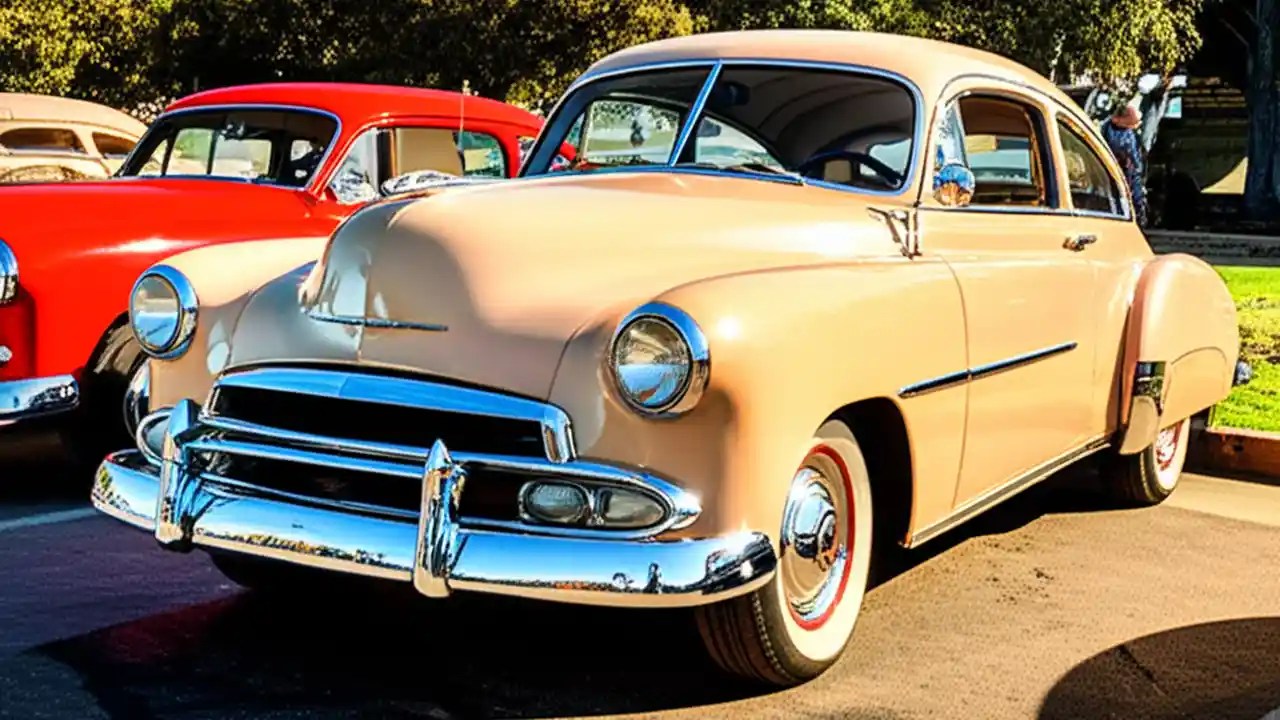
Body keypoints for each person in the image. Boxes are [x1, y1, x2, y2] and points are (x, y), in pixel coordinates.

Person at [1101, 105, 1148, 227]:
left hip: (1131, 172)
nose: (1137, 125)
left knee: (1135, 200)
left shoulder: (1129, 132)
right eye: (1134, 123)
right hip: (1117, 172)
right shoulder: (1107, 129)